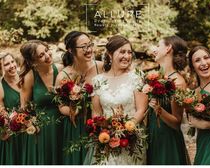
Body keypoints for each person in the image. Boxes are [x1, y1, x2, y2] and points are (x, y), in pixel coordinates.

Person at [87, 35, 148, 165]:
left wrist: (125, 130)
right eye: (122, 52)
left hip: (131, 140)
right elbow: (96, 113)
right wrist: (103, 131)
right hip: (106, 140)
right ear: (110, 54)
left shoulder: (137, 76)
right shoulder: (98, 80)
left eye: (129, 52)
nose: (127, 56)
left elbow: (141, 110)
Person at [55, 31, 103, 165]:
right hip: (76, 127)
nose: (89, 50)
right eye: (84, 47)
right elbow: (60, 106)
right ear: (71, 50)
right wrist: (72, 110)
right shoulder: (63, 75)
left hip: (99, 123)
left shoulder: (101, 67)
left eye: (90, 45)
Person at [19, 40, 64, 164]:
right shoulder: (30, 77)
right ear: (33, 62)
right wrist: (31, 126)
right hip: (42, 131)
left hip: (64, 125)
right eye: (41, 55)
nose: (48, 55)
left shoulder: (61, 69)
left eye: (46, 50)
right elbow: (23, 109)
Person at [147, 35, 189, 165]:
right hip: (151, 135)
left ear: (168, 49)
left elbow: (176, 122)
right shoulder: (156, 76)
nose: (155, 49)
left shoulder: (178, 82)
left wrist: (158, 109)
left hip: (167, 140)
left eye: (158, 46)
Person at [0, 52, 21, 164]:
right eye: (6, 64)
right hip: (14, 133)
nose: (12, 65)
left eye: (12, 61)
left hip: (31, 128)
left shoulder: (25, 77)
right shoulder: (1, 87)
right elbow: (1, 113)